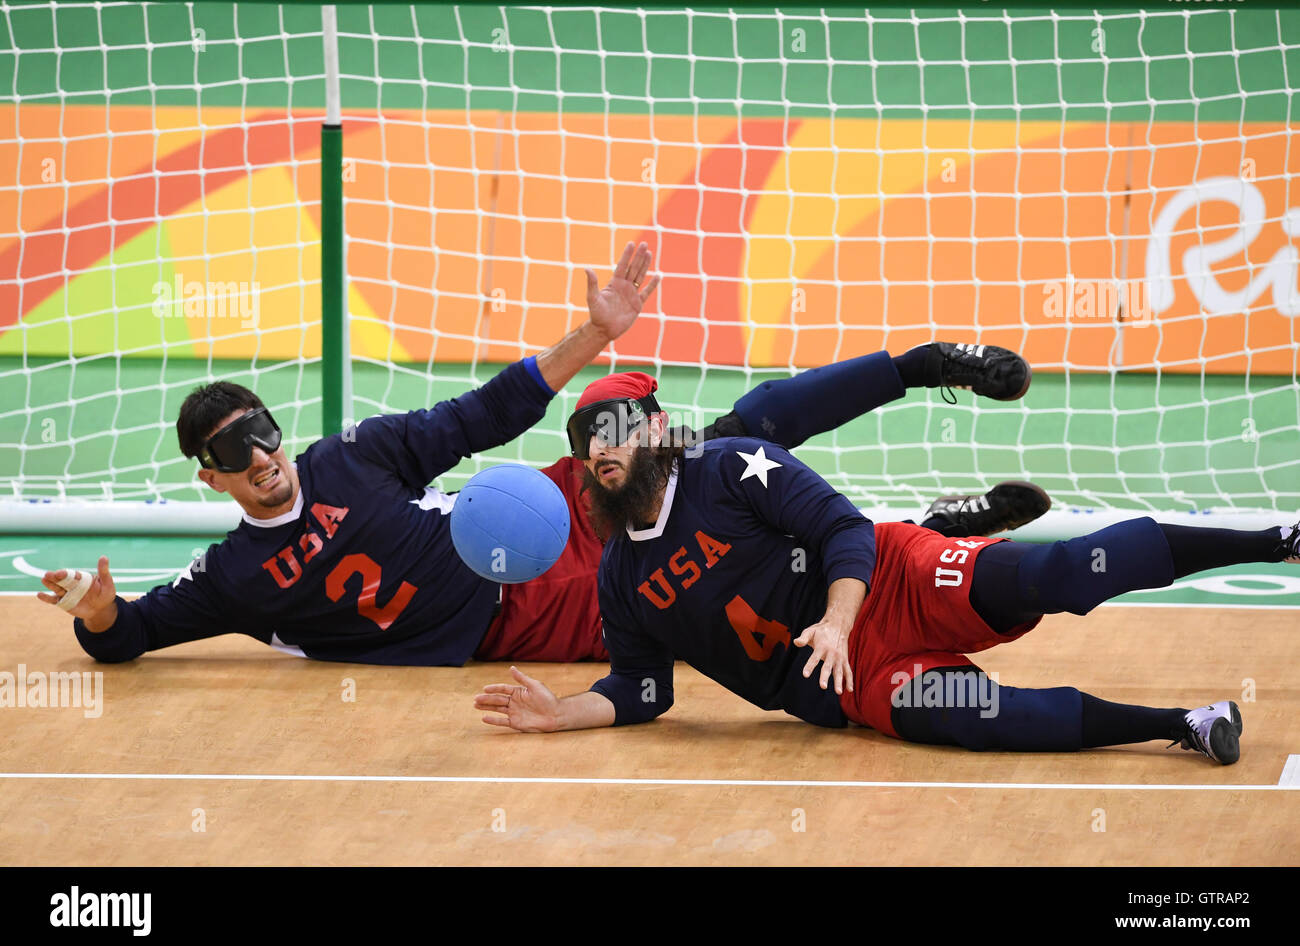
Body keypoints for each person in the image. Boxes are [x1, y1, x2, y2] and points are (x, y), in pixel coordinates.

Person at [38, 241, 1039, 667]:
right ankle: (926, 536)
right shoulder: (234, 576)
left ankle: (919, 362)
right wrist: (94, 613)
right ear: (208, 477)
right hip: (521, 611)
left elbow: (487, 411)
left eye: (261, 426)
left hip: (543, 503)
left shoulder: (352, 456)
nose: (261, 452)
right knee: (749, 587)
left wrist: (594, 334)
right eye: (232, 449)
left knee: (737, 439)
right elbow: (128, 634)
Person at [474, 379, 1300, 765]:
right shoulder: (620, 578)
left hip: (895, 577)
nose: (603, 450)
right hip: (860, 688)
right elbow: (645, 689)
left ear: (657, 428)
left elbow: (840, 528)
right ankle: (1183, 723)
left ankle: (1277, 538)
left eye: (617, 430)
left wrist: (835, 620)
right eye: (588, 442)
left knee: (1057, 578)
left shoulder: (730, 469)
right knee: (977, 717)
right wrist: (566, 715)